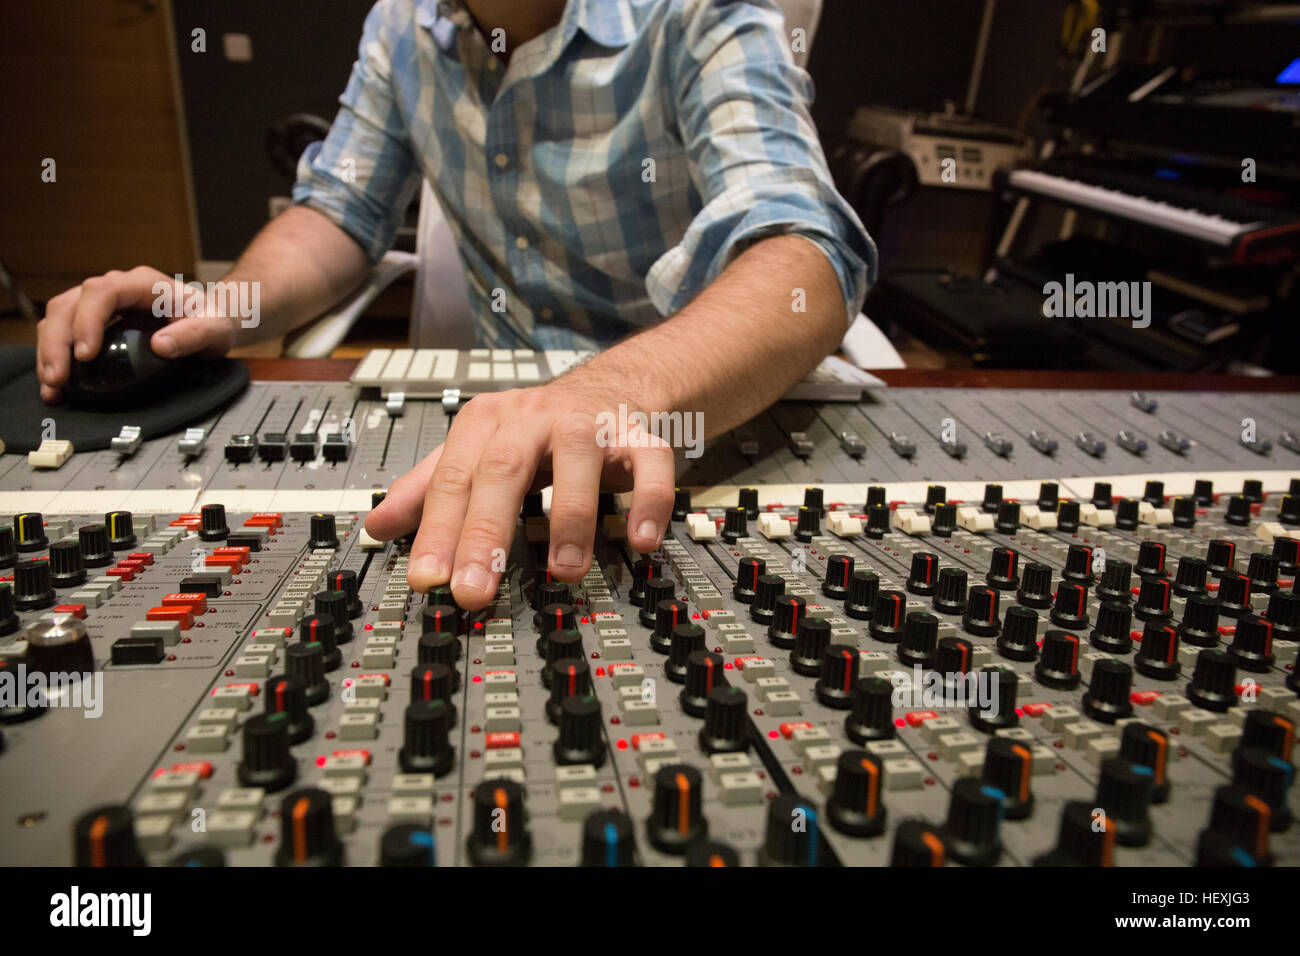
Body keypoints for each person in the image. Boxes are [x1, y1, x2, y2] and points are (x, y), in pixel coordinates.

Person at [35, 0, 876, 610]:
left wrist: (599, 394)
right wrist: (215, 306)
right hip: (492, 422)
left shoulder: (702, 11)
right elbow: (340, 210)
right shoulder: (401, 24)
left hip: (680, 415)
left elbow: (805, 247)